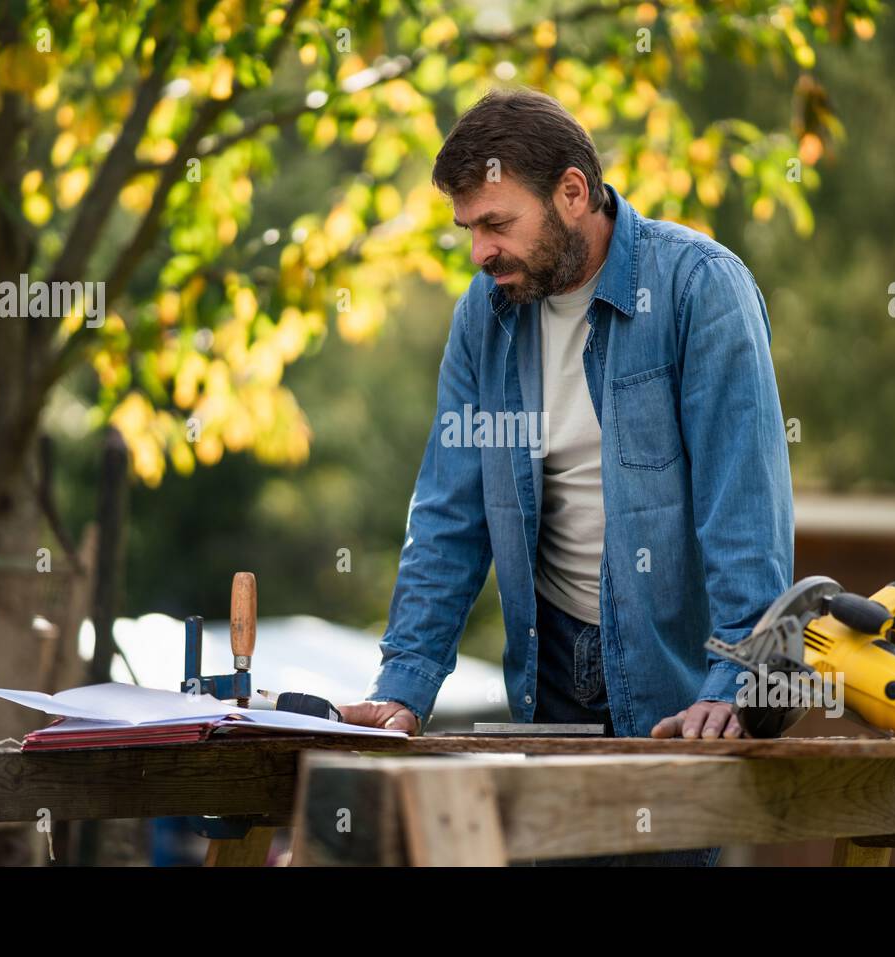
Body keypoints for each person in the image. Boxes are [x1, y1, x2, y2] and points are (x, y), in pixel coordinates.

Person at [340, 88, 794, 866]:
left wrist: (735, 680)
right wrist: (404, 684)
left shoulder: (699, 290)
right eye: (469, 229)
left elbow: (744, 508)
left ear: (573, 193)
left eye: (496, 223)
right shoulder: (482, 320)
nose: (479, 252)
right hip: (546, 683)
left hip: (676, 691)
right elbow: (449, 516)